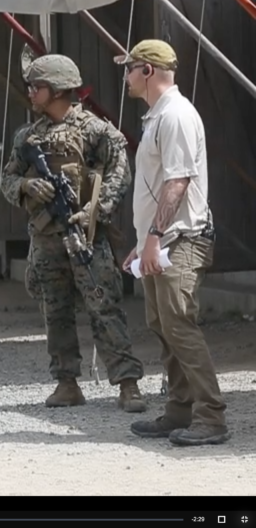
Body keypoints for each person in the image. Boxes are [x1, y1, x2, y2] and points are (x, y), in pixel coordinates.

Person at [0, 54, 147, 412]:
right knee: (55, 312)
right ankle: (66, 383)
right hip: (46, 238)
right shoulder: (28, 137)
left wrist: (96, 209)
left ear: (59, 90)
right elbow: (7, 179)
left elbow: (120, 171)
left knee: (105, 307)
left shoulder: (94, 130)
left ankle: (128, 384)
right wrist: (27, 186)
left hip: (86, 237)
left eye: (38, 87)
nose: (31, 93)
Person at [117, 40, 227, 446]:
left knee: (179, 325)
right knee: (162, 324)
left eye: (129, 68)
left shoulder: (176, 115)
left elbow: (177, 181)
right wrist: (144, 240)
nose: (125, 76)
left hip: (181, 239)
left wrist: (155, 235)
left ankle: (210, 416)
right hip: (163, 241)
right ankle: (180, 410)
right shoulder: (158, 116)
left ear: (147, 70)